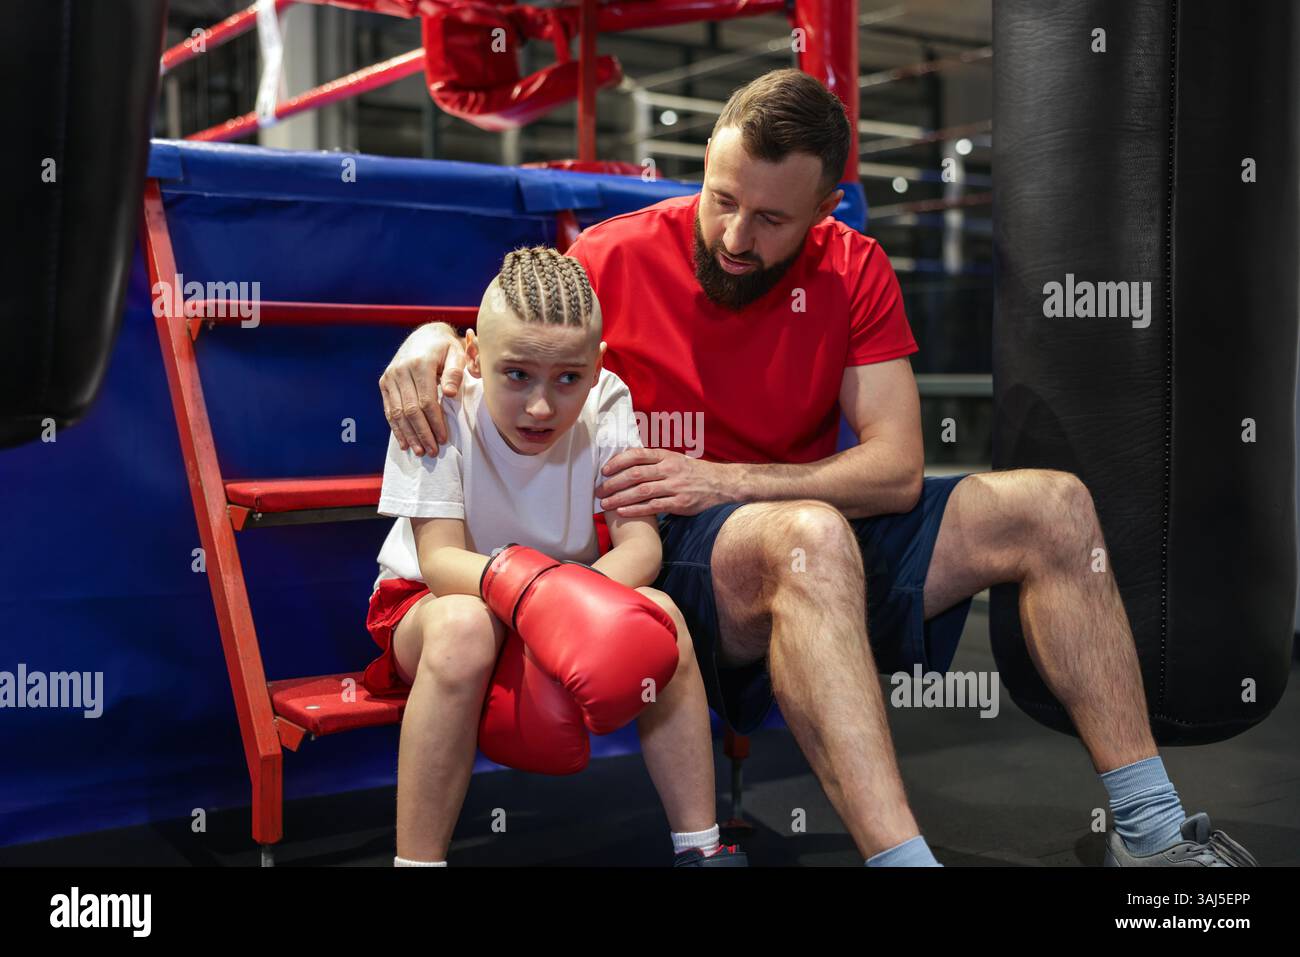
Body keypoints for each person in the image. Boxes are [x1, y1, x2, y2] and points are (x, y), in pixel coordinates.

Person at [378, 68, 1257, 867]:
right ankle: (900, 861)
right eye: (721, 199)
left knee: (1053, 506)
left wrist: (725, 476)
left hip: (792, 516)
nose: (732, 236)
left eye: (770, 220)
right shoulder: (611, 256)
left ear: (826, 207)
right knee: (811, 534)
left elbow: (896, 471)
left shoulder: (855, 268)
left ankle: (1148, 831)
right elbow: (509, 350)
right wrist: (426, 342)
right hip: (683, 550)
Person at [366, 245, 746, 867]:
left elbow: (641, 543)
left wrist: (571, 609)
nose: (541, 407)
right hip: (436, 605)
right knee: (465, 629)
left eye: (568, 378)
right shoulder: (436, 406)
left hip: (568, 596)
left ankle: (702, 850)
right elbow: (438, 561)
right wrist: (547, 603)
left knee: (662, 619)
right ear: (473, 355)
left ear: (596, 368)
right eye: (516, 375)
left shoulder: (609, 401)